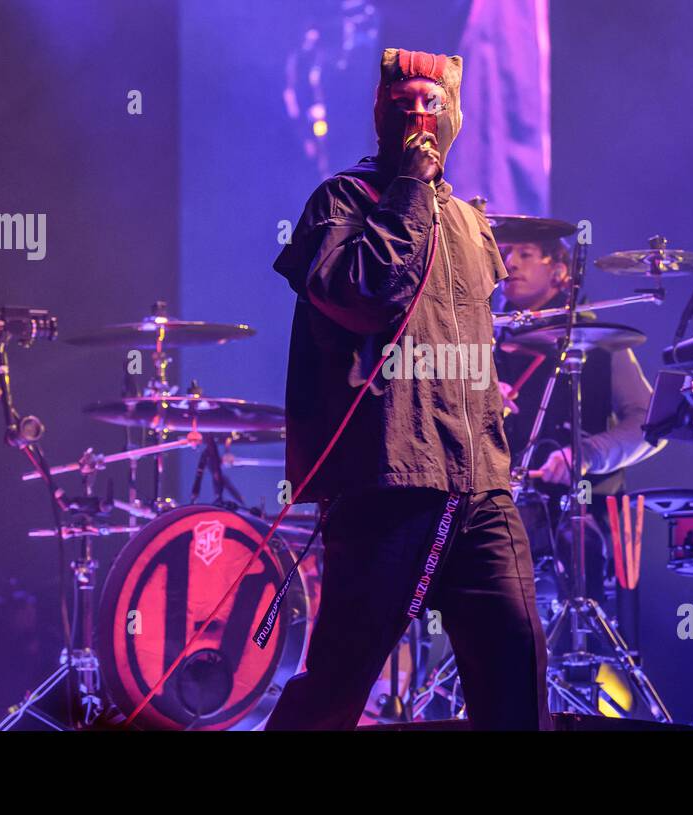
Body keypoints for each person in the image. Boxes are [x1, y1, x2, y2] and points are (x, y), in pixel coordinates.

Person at [266, 48, 551, 731]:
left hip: (479, 484)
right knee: (338, 680)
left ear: (455, 118)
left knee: (517, 671)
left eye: (434, 105)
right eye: (405, 106)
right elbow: (365, 294)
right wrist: (411, 188)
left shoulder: (473, 222)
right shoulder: (341, 200)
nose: (421, 117)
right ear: (380, 116)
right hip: (389, 481)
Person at [495, 235, 665, 629]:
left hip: (587, 515)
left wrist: (585, 454)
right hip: (498, 512)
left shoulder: (602, 342)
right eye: (504, 256)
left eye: (525, 252)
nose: (509, 264)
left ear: (559, 272)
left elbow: (649, 423)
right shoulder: (483, 341)